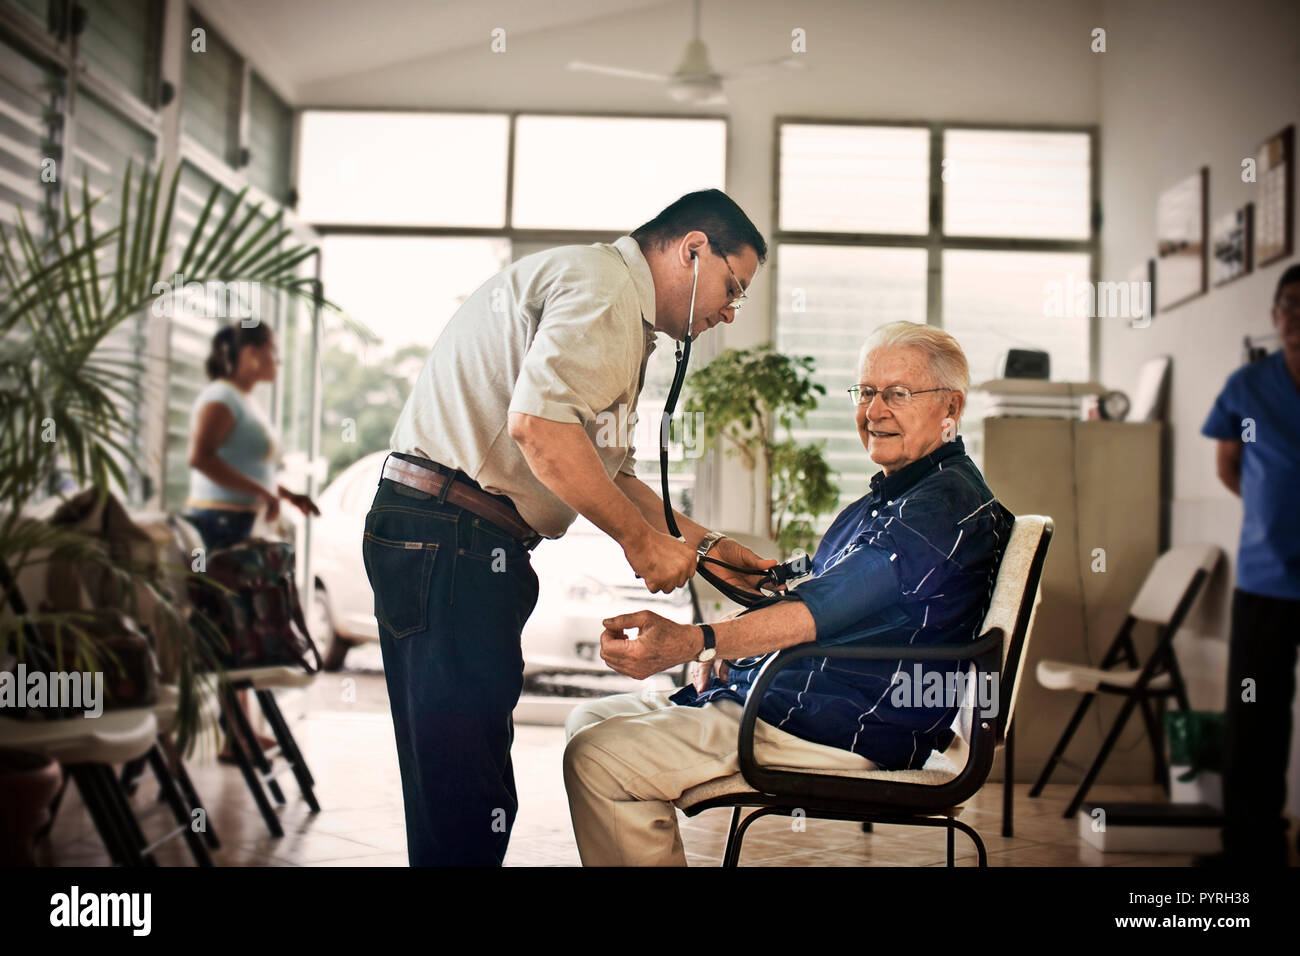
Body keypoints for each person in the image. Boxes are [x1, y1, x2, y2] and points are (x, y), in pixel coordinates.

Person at [365, 189, 776, 866]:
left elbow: (610, 471)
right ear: (692, 249)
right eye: (731, 288)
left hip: (452, 537)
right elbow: (541, 430)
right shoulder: (606, 291)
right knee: (462, 788)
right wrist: (642, 544)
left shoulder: (614, 304)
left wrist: (707, 548)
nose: (729, 312)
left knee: (467, 778)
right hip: (450, 536)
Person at [563, 322, 1014, 866]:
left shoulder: (941, 508)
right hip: (807, 701)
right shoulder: (894, 497)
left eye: (897, 393)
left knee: (597, 756)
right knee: (586, 723)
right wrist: (622, 485)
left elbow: (815, 612)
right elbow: (791, 583)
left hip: (840, 722)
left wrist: (699, 643)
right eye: (867, 392)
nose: (874, 411)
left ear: (951, 407)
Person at [1200, 262, 1300, 866]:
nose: (1297, 317)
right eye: (1290, 305)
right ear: (1274, 316)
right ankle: (1250, 846)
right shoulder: (1250, 386)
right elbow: (1229, 468)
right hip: (1266, 581)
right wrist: (1273, 518)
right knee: (1257, 713)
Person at [187, 321, 320, 760]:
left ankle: (239, 731)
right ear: (246, 353)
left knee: (237, 628)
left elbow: (250, 467)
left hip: (237, 524)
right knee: (226, 626)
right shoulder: (221, 397)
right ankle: (236, 734)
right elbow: (200, 458)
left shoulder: (243, 401)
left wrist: (284, 494)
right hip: (217, 525)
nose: (277, 360)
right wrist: (263, 493)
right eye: (271, 350)